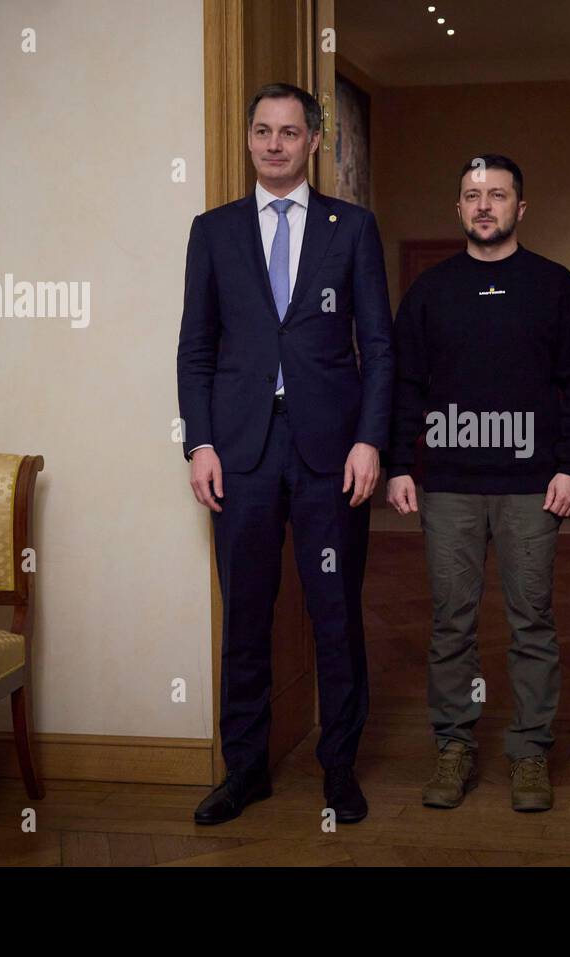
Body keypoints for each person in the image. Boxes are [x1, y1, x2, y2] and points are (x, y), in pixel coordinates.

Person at [176, 82, 393, 826]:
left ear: (313, 141)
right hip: (240, 454)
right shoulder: (213, 230)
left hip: (332, 455)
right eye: (263, 130)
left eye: (290, 132)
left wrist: (371, 440)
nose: (275, 143)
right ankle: (244, 771)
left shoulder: (353, 227)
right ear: (248, 139)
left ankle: (339, 771)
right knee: (246, 617)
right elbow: (195, 349)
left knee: (335, 614)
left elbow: (381, 346)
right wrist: (199, 442)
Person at [385, 154, 570, 813]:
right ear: (458, 208)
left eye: (498, 195)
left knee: (530, 618)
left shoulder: (555, 286)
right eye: (473, 195)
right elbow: (404, 387)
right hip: (448, 484)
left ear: (519, 208)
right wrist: (399, 463)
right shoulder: (429, 292)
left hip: (532, 486)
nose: (485, 205)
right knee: (452, 620)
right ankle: (454, 745)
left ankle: (529, 750)